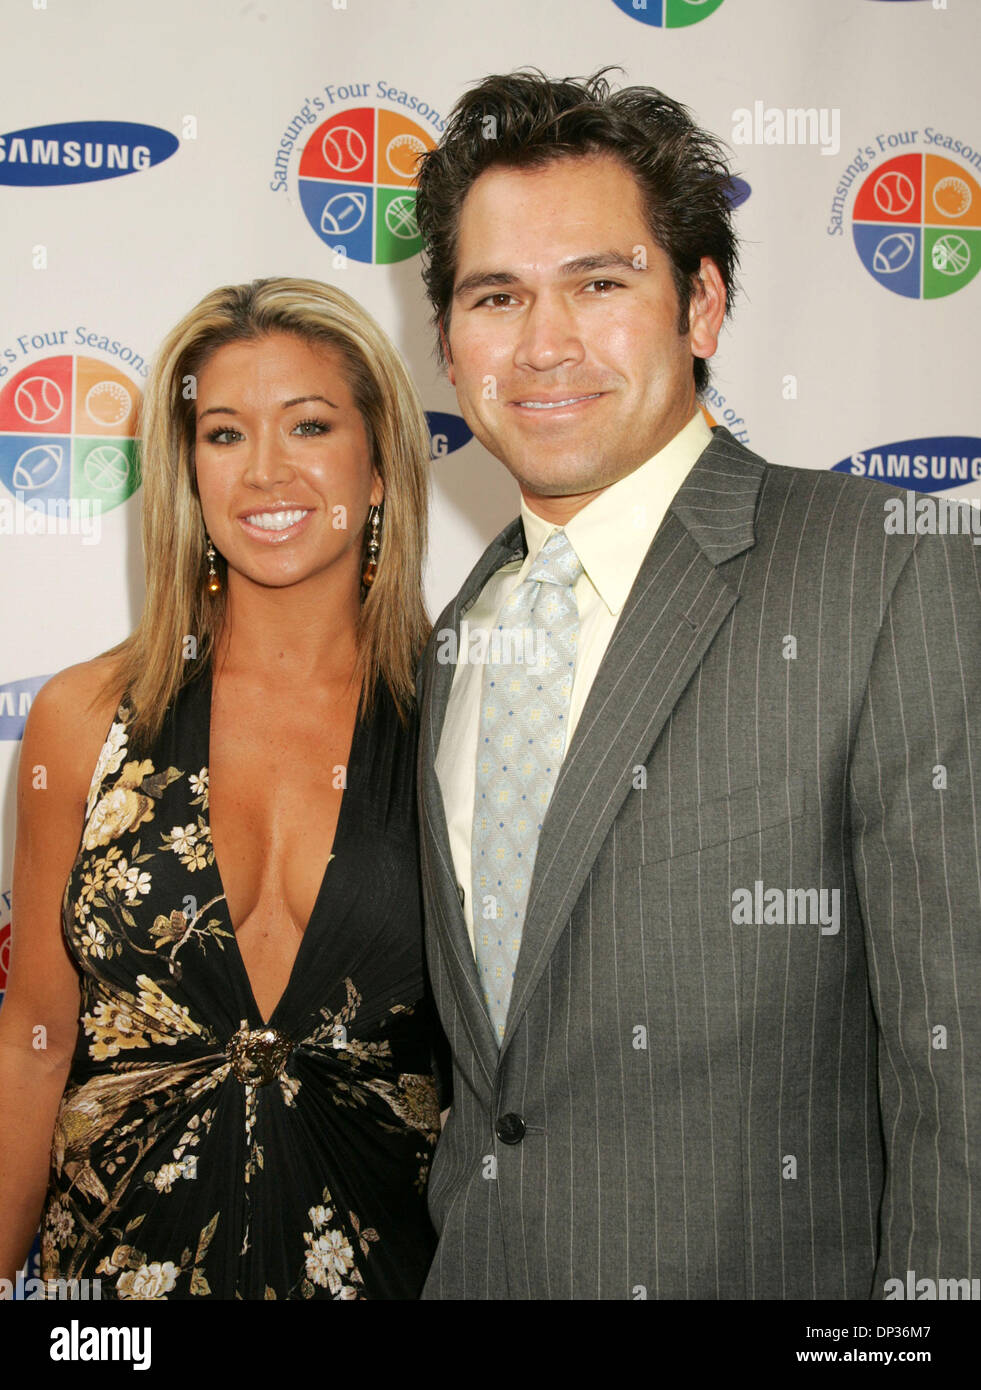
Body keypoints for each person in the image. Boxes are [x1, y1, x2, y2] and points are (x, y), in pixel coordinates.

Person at [412, 69, 981, 1299]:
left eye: (600, 285)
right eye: (496, 295)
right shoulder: (460, 633)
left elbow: (963, 1063)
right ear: (450, 341)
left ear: (704, 305)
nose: (544, 342)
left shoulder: (884, 571)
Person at [0, 277, 441, 1300]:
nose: (266, 472)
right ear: (188, 470)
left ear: (379, 467)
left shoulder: (457, 724)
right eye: (225, 434)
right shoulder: (85, 719)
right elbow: (33, 1043)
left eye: (311, 424)